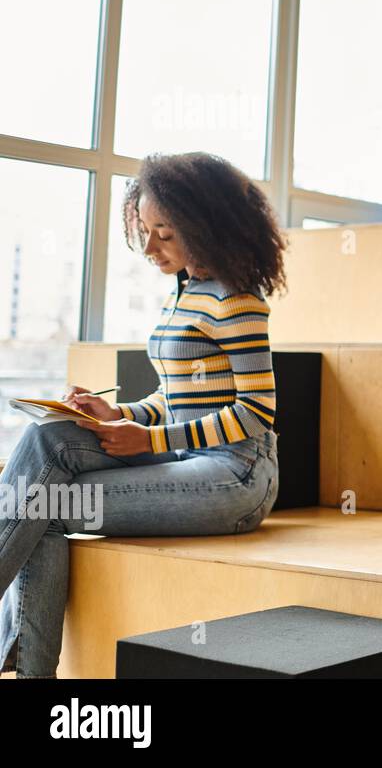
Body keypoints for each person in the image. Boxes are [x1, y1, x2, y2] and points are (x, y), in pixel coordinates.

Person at [0, 152, 285, 678]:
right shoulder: (186, 291)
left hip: (236, 475)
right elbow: (174, 395)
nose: (150, 247)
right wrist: (116, 412)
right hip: (183, 456)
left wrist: (149, 441)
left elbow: (257, 410)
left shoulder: (238, 301)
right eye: (146, 230)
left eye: (165, 233)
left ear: (204, 228)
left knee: (41, 505)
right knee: (49, 438)